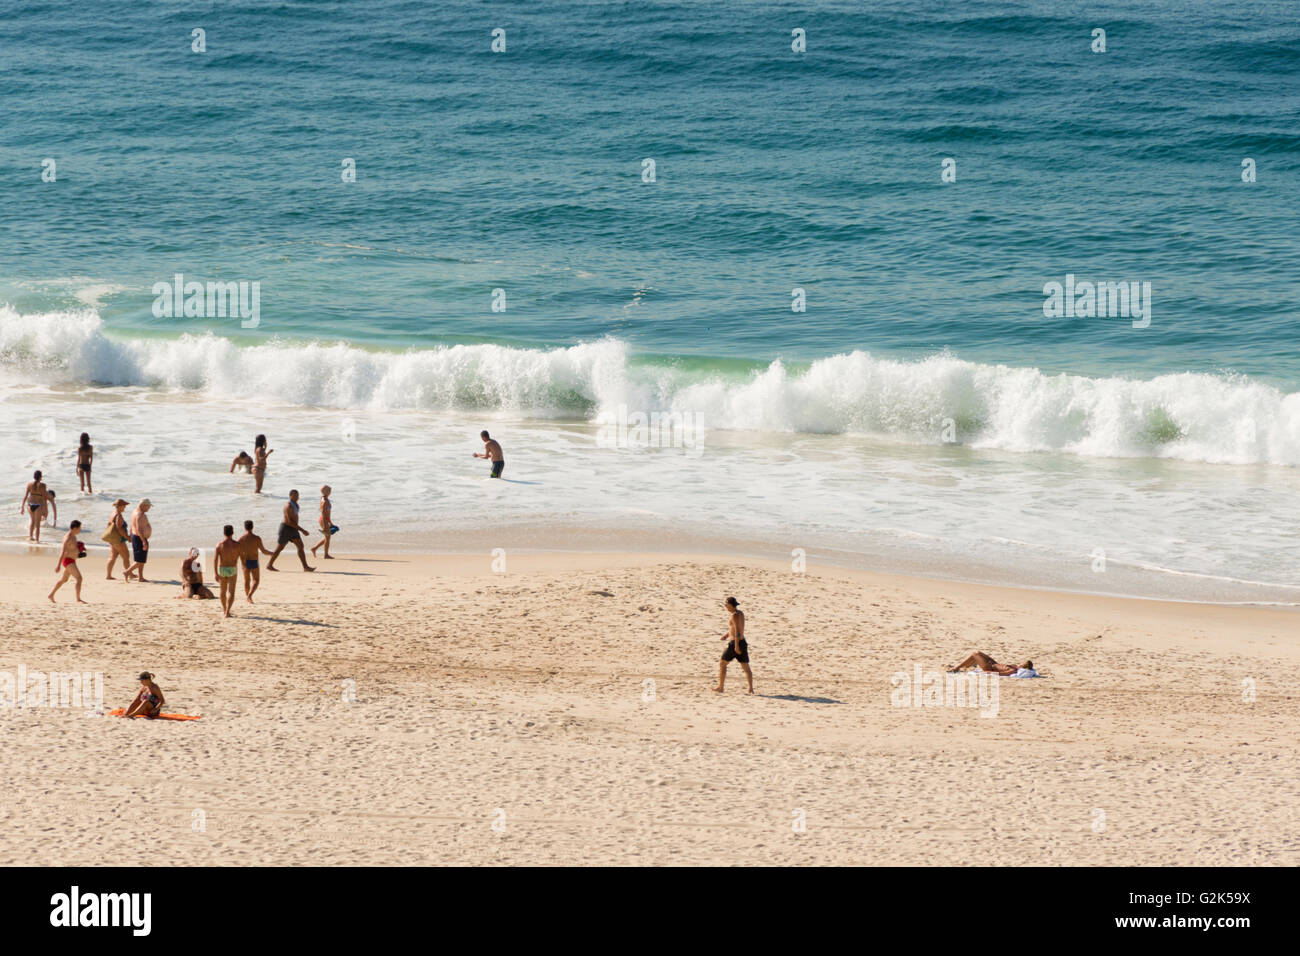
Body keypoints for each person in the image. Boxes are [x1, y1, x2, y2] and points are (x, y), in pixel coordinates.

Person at [266, 489, 314, 572]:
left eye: (297, 495)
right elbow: (289, 521)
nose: (297, 497)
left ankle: (305, 567)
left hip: (294, 529)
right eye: (295, 495)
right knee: (279, 548)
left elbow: (294, 519)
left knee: (300, 546)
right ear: (290, 496)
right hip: (286, 529)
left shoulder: (296, 504)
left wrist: (298, 529)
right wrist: (302, 530)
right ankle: (269, 565)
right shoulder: (288, 506)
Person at [713, 596, 753, 694]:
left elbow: (737, 632)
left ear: (731, 605)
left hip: (735, 643)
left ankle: (720, 687)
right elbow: (737, 628)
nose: (725, 606)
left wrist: (736, 646)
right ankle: (750, 688)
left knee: (722, 663)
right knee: (746, 667)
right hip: (742, 642)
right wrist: (727, 635)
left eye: (726, 604)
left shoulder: (734, 616)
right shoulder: (740, 613)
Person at [48, 521, 87, 604]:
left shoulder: (74, 537)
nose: (80, 530)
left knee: (64, 580)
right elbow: (62, 552)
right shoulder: (68, 538)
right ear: (75, 528)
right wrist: (58, 565)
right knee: (79, 578)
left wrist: (79, 553)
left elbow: (73, 549)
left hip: (72, 560)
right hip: (68, 561)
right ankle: (78, 599)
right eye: (79, 528)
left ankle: (51, 595)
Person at [237, 520, 273, 602]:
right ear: (252, 527)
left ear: (244, 527)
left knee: (247, 581)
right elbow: (263, 551)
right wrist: (271, 553)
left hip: (245, 562)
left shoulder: (241, 539)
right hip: (254, 561)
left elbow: (237, 550)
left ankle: (247, 597)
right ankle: (250, 595)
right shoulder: (257, 538)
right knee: (256, 580)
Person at [214, 525, 242, 617]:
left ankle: (224, 609)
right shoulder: (237, 545)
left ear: (224, 533)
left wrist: (215, 573)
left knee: (222, 591)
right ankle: (228, 611)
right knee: (231, 592)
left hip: (222, 569)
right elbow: (241, 557)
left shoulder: (219, 545)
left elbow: (215, 560)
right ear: (232, 532)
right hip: (232, 568)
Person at [103, 498, 134, 580]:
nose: (125, 508)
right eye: (124, 506)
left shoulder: (113, 513)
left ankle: (108, 575)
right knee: (126, 556)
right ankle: (130, 574)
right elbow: (119, 528)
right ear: (120, 506)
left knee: (113, 556)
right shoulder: (119, 515)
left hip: (112, 539)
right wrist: (127, 537)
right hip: (118, 539)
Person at [126, 499, 153, 583]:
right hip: (139, 538)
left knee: (141, 559)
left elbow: (131, 525)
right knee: (139, 561)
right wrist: (144, 541)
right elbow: (139, 529)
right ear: (144, 505)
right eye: (148, 506)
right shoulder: (140, 514)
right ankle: (127, 572)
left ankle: (140, 577)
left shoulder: (134, 511)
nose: (149, 508)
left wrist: (130, 536)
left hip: (136, 537)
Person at [946, 652, 1034, 676]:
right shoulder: (1015, 667)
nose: (1021, 664)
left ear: (1023, 667)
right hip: (994, 663)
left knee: (975, 654)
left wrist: (987, 672)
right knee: (979, 654)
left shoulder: (1014, 670)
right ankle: (962, 666)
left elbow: (1000, 674)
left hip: (990, 668)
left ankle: (956, 668)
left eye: (1022, 664)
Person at [310, 485, 336, 559]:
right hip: (323, 519)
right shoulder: (325, 501)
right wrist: (325, 525)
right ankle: (326, 555)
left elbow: (327, 513)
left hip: (325, 519)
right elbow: (324, 513)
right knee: (328, 537)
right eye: (329, 491)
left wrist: (330, 522)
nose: (330, 492)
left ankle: (314, 548)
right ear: (327, 492)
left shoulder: (323, 499)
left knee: (327, 537)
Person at [20, 470, 47, 542]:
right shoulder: (43, 485)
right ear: (40, 477)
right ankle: (37, 540)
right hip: (38, 505)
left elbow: (25, 496)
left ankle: (31, 537)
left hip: (30, 505)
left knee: (32, 522)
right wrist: (45, 509)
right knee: (37, 524)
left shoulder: (29, 484)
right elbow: (44, 498)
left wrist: (22, 507)